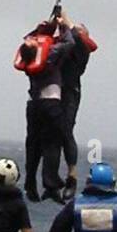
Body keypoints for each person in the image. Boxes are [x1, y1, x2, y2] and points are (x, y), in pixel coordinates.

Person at [19, 13, 74, 202]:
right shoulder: (49, 55)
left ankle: (30, 183)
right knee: (53, 141)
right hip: (50, 103)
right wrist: (63, 26)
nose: (33, 40)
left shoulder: (28, 61)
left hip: (33, 105)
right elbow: (69, 44)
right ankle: (51, 181)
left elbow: (27, 40)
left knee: (33, 144)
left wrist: (43, 28)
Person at [60, 20, 98, 201]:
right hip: (53, 90)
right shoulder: (63, 45)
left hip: (70, 92)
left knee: (66, 131)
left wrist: (67, 21)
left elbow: (76, 36)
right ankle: (50, 180)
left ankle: (72, 176)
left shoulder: (82, 49)